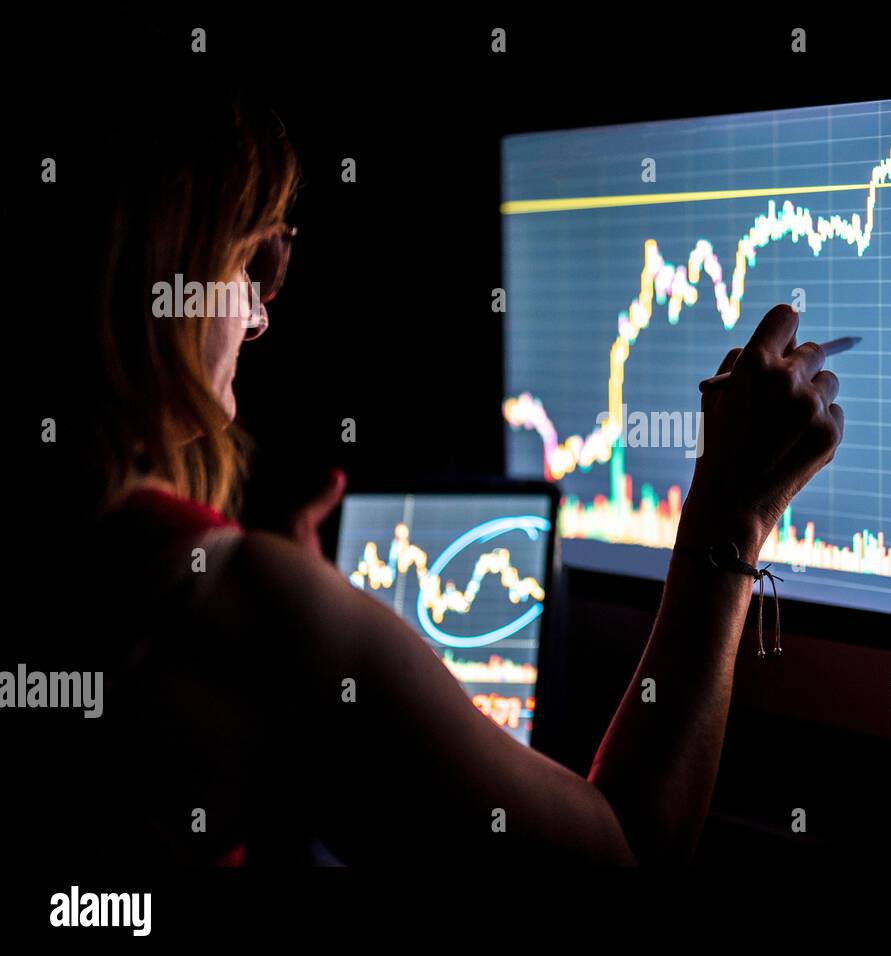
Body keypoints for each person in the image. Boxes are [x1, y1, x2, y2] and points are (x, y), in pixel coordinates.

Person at [39, 88, 844, 866]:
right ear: (162, 262)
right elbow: (631, 848)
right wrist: (732, 516)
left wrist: (306, 634)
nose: (260, 314)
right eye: (249, 259)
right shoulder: (233, 604)